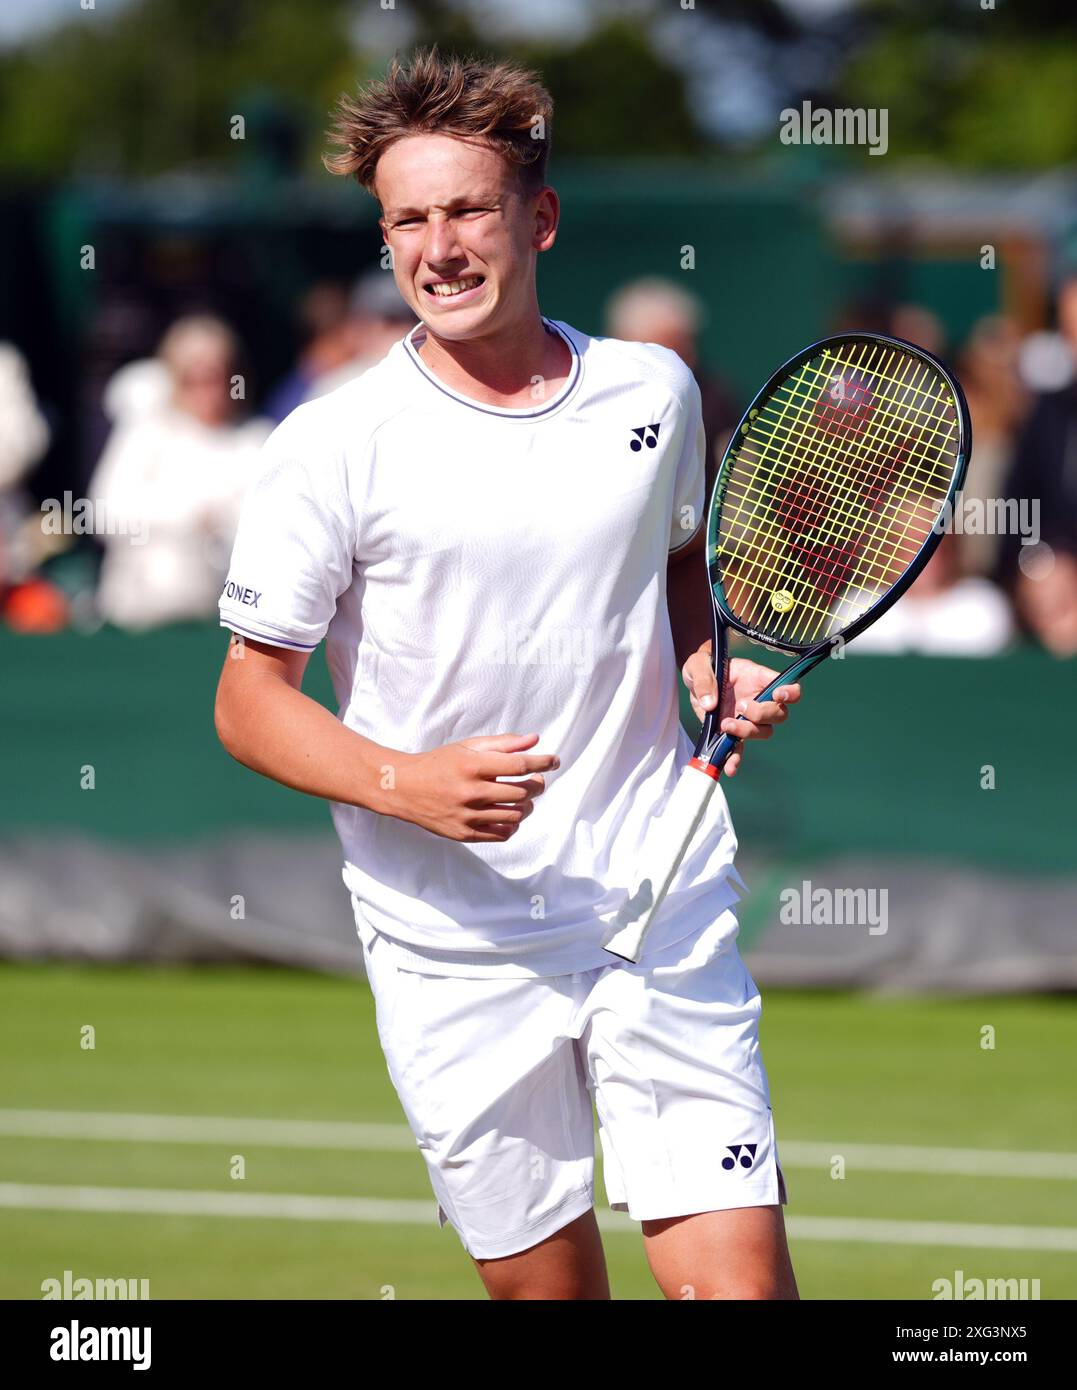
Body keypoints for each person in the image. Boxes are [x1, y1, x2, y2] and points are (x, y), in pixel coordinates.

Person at [215, 47, 801, 1301]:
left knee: (738, 1289)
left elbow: (680, 576)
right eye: (407, 220)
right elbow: (247, 698)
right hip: (449, 941)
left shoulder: (655, 390)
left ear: (535, 216)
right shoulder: (329, 443)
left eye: (466, 208)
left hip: (661, 894)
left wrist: (709, 674)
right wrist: (402, 781)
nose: (439, 246)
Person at [91, 314, 271, 630]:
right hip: (139, 619)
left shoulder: (256, 439)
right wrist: (188, 516)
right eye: (194, 378)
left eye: (217, 376)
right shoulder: (145, 434)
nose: (208, 390)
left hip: (224, 623)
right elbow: (104, 513)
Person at [605, 277, 739, 500]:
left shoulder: (717, 402)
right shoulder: (597, 408)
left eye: (688, 345)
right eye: (670, 350)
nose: (690, 358)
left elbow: (739, 500)